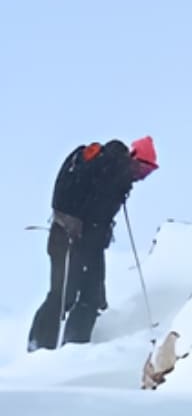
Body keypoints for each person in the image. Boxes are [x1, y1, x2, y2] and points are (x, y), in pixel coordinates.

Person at [27, 136, 159, 352]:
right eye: (144, 170)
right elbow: (96, 215)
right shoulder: (115, 171)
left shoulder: (109, 168)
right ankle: (64, 347)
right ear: (135, 159)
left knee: (69, 295)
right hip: (74, 241)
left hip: (69, 238)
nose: (142, 177)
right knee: (72, 296)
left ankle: (51, 347)